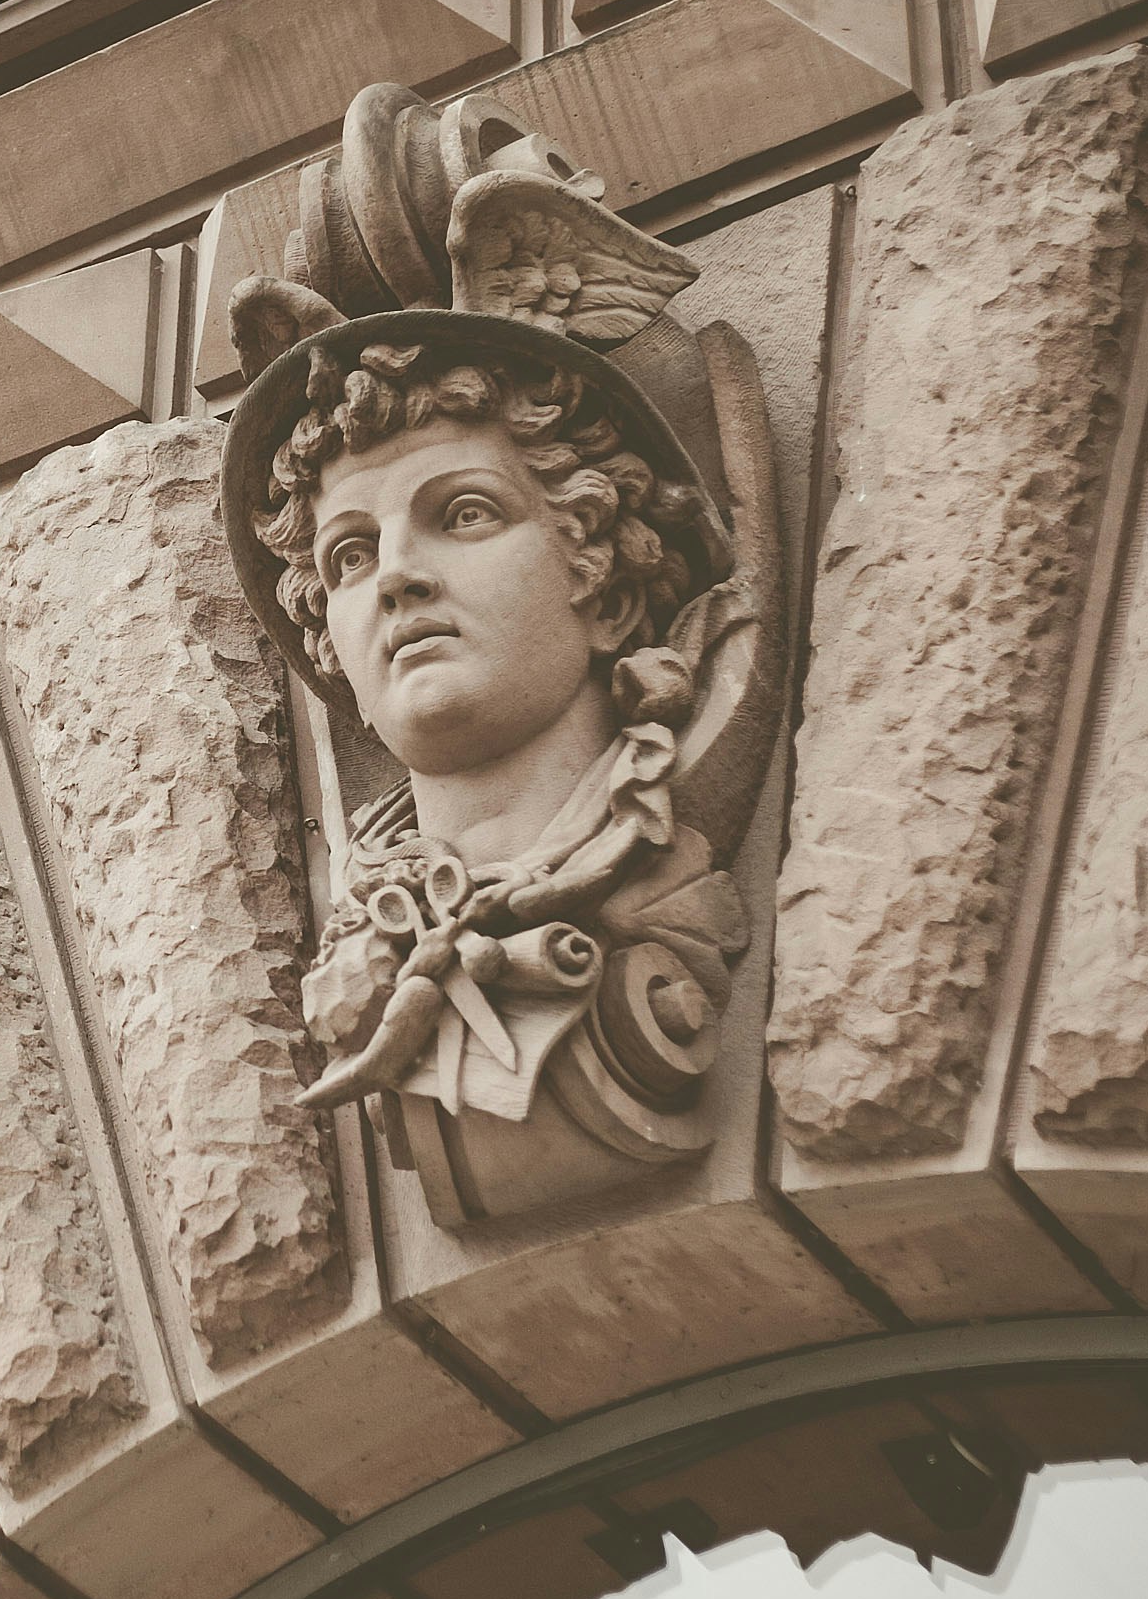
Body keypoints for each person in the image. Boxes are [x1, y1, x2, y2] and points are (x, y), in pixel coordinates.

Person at [216, 87, 785, 1224]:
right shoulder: (363, 930)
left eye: (464, 513)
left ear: (605, 576)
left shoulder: (637, 847)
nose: (396, 577)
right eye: (347, 555)